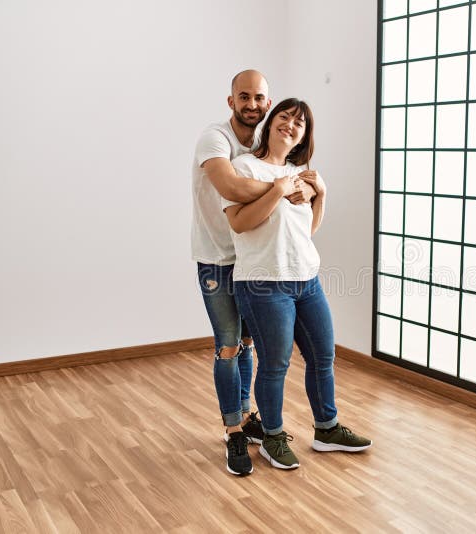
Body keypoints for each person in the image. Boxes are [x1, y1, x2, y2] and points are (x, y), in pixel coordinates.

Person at [222, 98, 372, 470]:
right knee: (275, 364)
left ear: (304, 136)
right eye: (285, 117)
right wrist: (275, 189)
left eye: (300, 123)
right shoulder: (244, 167)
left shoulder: (300, 174)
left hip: (307, 280)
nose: (291, 125)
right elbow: (239, 224)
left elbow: (307, 230)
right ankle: (272, 436)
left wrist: (322, 192)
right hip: (263, 283)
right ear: (271, 123)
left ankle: (327, 428)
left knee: (323, 357)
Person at [191, 70, 315, 476]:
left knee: (248, 343)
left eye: (259, 97)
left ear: (268, 101)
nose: (252, 104)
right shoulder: (216, 140)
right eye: (243, 97)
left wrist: (296, 185)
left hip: (254, 262)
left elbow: (296, 219)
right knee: (228, 346)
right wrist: (284, 184)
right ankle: (233, 431)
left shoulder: (264, 151)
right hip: (218, 258)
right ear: (231, 101)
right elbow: (233, 188)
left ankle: (246, 417)